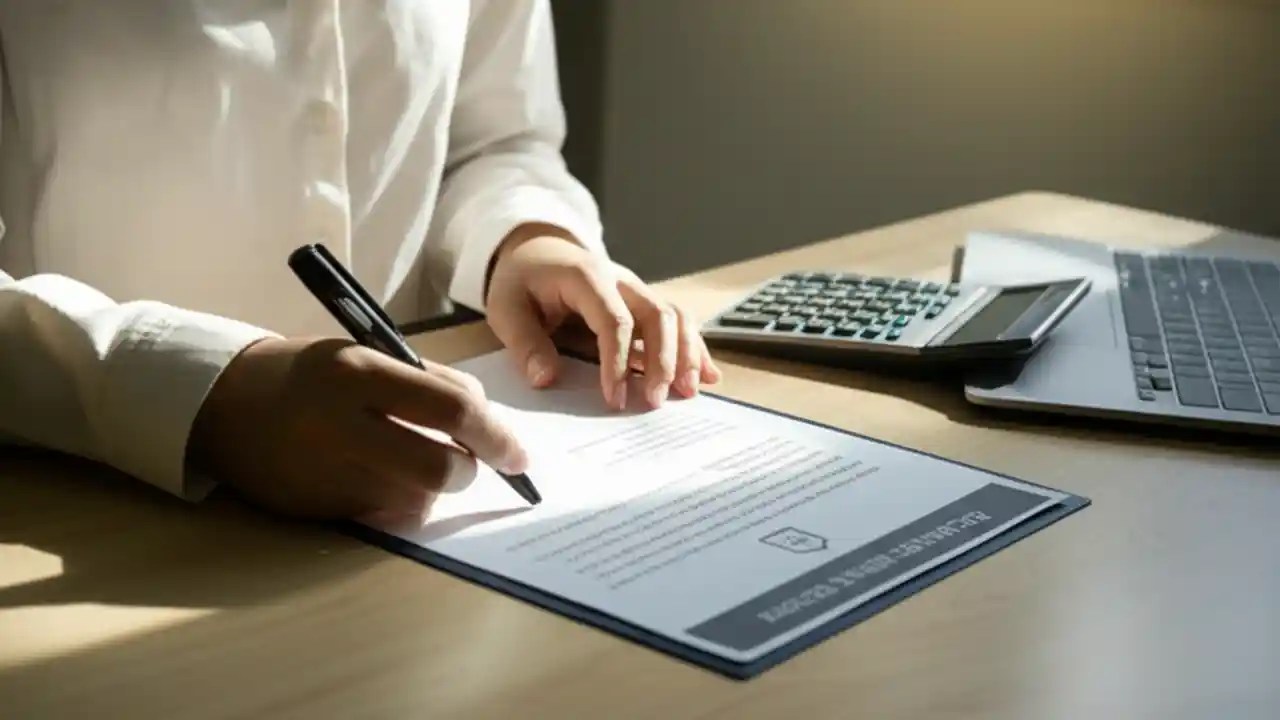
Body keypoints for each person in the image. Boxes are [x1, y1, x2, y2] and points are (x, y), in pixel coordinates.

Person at [0, 2, 720, 522]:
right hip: (92, 511)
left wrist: (525, 236)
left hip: (401, 515)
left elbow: (495, 140)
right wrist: (206, 394)